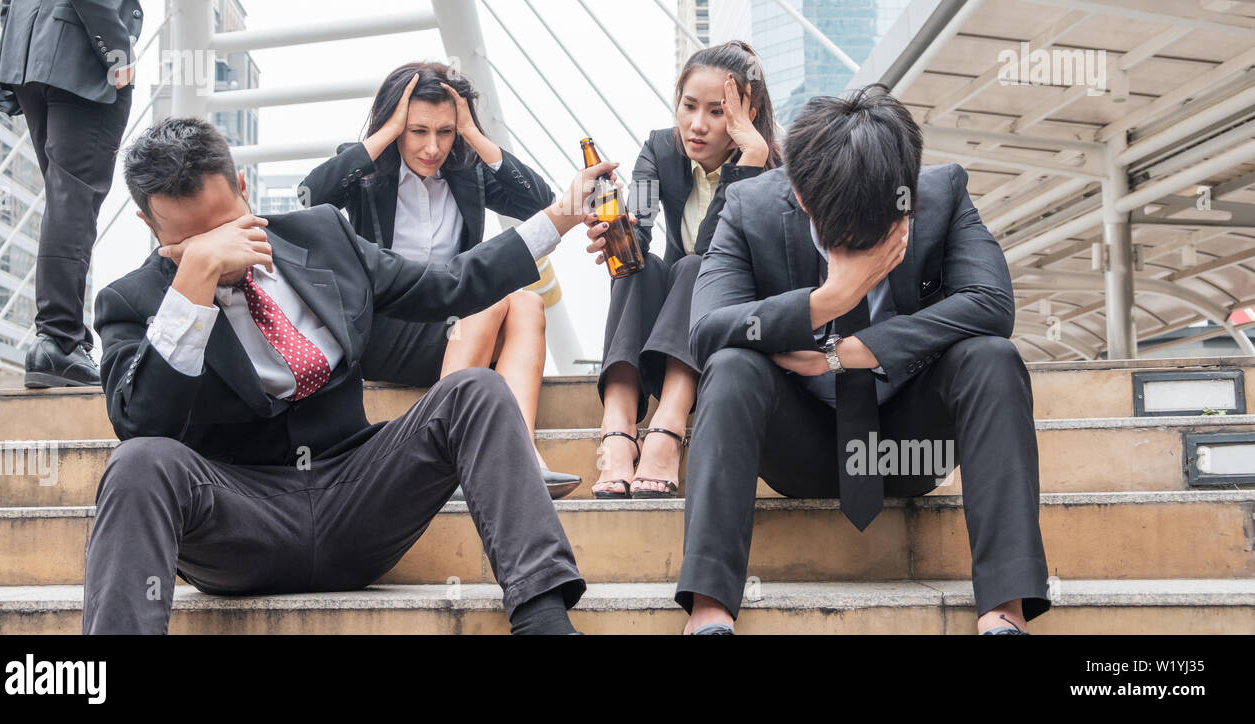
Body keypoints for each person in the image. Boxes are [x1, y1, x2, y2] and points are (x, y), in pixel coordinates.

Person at [82, 117, 616, 634]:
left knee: (475, 391)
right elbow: (143, 422)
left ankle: (543, 619)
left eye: (225, 227)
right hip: (241, 525)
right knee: (137, 462)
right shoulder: (132, 301)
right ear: (149, 228)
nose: (220, 251)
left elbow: (449, 284)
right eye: (193, 243)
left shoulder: (323, 234)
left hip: (359, 500)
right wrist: (192, 281)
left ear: (243, 186)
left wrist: (562, 215)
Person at [677, 85, 1050, 635]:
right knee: (732, 366)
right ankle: (709, 611)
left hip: (907, 448)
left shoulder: (940, 195)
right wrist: (828, 300)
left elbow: (992, 304)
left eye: (876, 230)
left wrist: (853, 352)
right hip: (797, 447)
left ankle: (1004, 612)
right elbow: (708, 329)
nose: (859, 243)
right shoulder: (750, 206)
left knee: (991, 357)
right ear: (801, 197)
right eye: (843, 233)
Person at [299, 62, 578, 497]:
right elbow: (309, 198)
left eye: (445, 132)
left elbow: (540, 205)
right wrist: (386, 135)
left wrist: (473, 134)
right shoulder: (367, 172)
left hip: (456, 331)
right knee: (491, 293)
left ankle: (519, 450)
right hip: (383, 331)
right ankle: (446, 443)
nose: (432, 148)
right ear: (395, 126)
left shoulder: (468, 172)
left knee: (526, 302)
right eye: (418, 131)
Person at [0, 0, 184, 389]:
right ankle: (59, 341)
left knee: (67, 204)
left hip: (42, 70)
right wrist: (117, 52)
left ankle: (58, 340)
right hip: (79, 72)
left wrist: (20, 62)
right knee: (77, 204)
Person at [589, 42, 778, 499]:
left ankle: (667, 428)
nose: (697, 125)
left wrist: (748, 164)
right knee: (635, 265)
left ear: (746, 111)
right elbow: (641, 235)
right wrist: (615, 231)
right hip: (675, 320)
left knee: (697, 264)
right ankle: (617, 424)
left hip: (733, 321)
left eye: (717, 112)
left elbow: (720, 257)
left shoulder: (773, 171)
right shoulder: (660, 149)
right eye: (689, 106)